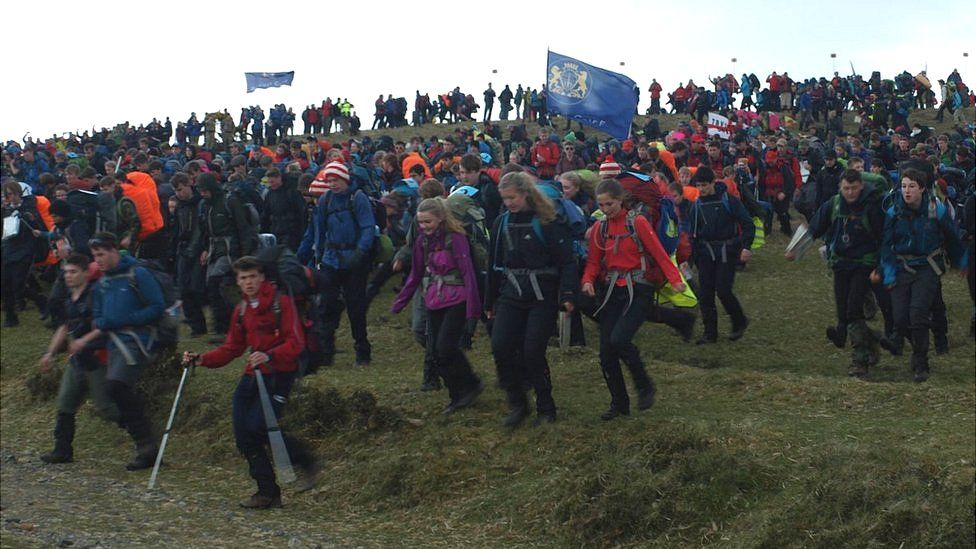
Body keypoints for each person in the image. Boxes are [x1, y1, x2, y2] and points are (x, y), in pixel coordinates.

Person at [183, 256, 317, 509]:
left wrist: (270, 354)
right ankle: (267, 492)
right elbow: (232, 347)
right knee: (243, 435)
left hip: (279, 374)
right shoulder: (242, 309)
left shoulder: (282, 303)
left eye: (253, 276)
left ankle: (305, 460)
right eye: (243, 278)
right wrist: (202, 360)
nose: (249, 282)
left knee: (259, 426)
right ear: (237, 281)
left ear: (262, 277)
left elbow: (295, 343)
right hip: (253, 375)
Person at [582, 179, 685, 420]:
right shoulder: (600, 228)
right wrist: (587, 280)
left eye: (610, 204)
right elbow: (594, 262)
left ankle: (644, 385)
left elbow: (659, 253)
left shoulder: (637, 222)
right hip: (612, 290)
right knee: (606, 353)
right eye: (601, 205)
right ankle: (619, 404)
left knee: (619, 339)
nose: (606, 209)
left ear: (621, 200)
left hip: (639, 288)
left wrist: (675, 279)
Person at [485, 172, 578, 427]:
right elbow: (494, 262)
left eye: (512, 197)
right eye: (505, 198)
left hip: (542, 295)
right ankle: (518, 403)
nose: (509, 203)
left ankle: (546, 407)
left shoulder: (548, 222)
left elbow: (567, 261)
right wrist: (489, 301)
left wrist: (568, 294)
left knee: (533, 352)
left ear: (526, 193)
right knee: (501, 346)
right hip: (511, 293)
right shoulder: (501, 223)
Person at [79, 232, 164, 470]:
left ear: (114, 250)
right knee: (115, 391)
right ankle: (146, 442)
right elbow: (97, 315)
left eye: (101, 254)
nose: (98, 260)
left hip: (138, 341)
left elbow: (157, 306)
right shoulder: (102, 284)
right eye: (95, 256)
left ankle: (146, 444)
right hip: (114, 343)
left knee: (116, 387)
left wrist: (128, 319)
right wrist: (103, 322)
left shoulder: (139, 274)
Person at [788, 170, 885, 377]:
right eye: (846, 188)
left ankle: (860, 361)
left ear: (861, 186)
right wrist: (795, 250)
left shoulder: (872, 206)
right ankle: (872, 340)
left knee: (853, 310)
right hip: (841, 263)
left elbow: (884, 237)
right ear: (840, 187)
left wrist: (881, 266)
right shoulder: (834, 205)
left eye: (854, 188)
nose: (850, 193)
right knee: (843, 313)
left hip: (864, 263)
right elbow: (814, 227)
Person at [391, 198, 484, 413]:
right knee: (436, 351)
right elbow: (415, 273)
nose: (424, 227)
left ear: (441, 218)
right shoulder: (422, 242)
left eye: (428, 222)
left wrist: (473, 308)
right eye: (421, 223)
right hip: (434, 300)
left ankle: (467, 385)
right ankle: (459, 393)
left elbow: (468, 272)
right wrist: (400, 301)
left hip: (457, 299)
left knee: (445, 347)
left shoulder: (456, 239)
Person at [879, 168, 967, 382]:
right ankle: (910, 343)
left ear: (921, 188)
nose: (906, 191)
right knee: (900, 319)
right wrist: (888, 274)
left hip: (927, 266)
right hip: (901, 267)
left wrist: (961, 262)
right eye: (903, 186)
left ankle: (921, 362)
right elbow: (886, 245)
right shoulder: (893, 211)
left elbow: (952, 237)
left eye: (911, 186)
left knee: (918, 314)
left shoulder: (935, 209)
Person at [38, 253, 119, 463]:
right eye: (66, 272)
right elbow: (64, 327)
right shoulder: (68, 299)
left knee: (106, 408)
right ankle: (62, 450)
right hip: (77, 360)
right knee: (65, 404)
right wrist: (50, 353)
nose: (68, 276)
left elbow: (107, 325)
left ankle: (143, 437)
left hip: (98, 358)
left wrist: (84, 341)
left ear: (85, 273)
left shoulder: (96, 296)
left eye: (73, 272)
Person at [297, 161, 375, 367]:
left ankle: (362, 349)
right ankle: (326, 350)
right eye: (329, 180)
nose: (332, 184)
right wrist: (320, 257)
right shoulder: (325, 201)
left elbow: (368, 227)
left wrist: (360, 252)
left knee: (355, 307)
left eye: (336, 180)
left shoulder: (358, 198)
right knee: (326, 304)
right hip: (331, 258)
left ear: (345, 179)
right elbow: (319, 231)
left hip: (354, 258)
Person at [689, 167, 755, 343]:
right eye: (698, 185)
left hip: (727, 251)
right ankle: (710, 333)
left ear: (712, 182)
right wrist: (691, 258)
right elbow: (693, 234)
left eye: (704, 185)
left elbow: (748, 223)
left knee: (724, 290)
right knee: (705, 293)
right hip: (705, 253)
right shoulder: (696, 205)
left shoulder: (729, 200)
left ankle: (739, 320)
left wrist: (746, 247)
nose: (701, 189)